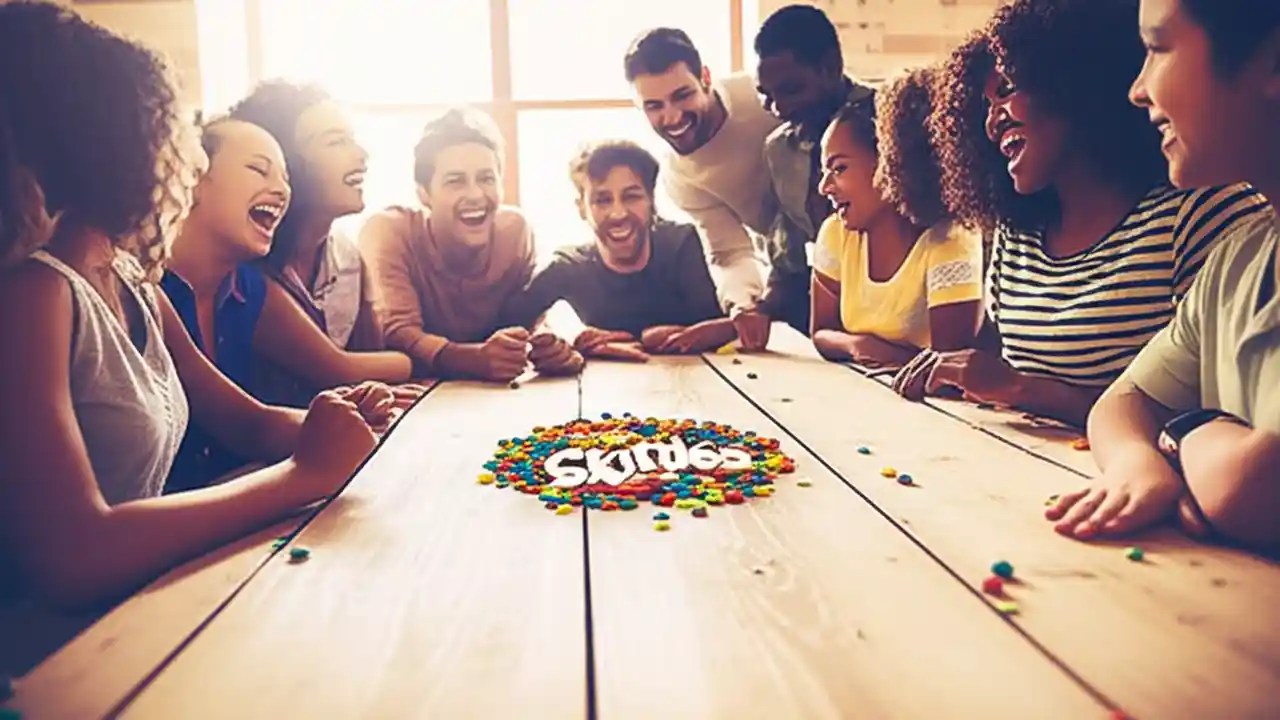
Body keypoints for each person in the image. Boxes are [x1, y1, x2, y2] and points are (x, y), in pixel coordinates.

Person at [0, 1, 386, 675]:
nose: (182, 149)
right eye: (168, 129)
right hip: (53, 663)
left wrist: (350, 431)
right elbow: (71, 556)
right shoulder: (35, 292)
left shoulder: (129, 276)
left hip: (143, 617)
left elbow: (246, 421)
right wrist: (305, 473)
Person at [918, 0, 1267, 428]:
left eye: (1006, 88)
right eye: (985, 106)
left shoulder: (1200, 214)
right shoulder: (1017, 236)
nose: (992, 121)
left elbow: (1196, 416)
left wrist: (1019, 388)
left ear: (1073, 82)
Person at [1048, 0, 1279, 553]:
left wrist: (1184, 431)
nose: (1138, 89)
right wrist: (1138, 463)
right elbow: (1121, 402)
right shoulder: (1239, 259)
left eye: (1157, 48)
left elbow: (1260, 487)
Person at [161, 118, 415, 491]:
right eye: (258, 170)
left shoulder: (249, 286)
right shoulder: (143, 290)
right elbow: (333, 370)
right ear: (193, 177)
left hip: (238, 499)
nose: (280, 190)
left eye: (285, 178)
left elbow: (250, 424)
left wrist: (348, 423)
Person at [359, 108, 582, 382]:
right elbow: (396, 332)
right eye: (456, 182)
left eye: (486, 179)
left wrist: (551, 345)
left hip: (494, 397)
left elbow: (535, 314)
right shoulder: (389, 230)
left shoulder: (515, 231)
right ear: (424, 194)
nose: (476, 195)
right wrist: (471, 359)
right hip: (415, 395)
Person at [811, 73, 984, 386]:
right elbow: (821, 333)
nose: (824, 187)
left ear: (891, 163)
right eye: (825, 171)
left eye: (839, 168)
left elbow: (946, 372)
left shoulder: (950, 238)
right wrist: (858, 345)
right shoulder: (836, 233)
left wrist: (883, 354)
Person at [226, 82, 390, 405]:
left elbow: (372, 368)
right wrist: (430, 359)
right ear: (287, 163)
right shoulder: (246, 269)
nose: (361, 155)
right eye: (336, 142)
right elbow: (340, 370)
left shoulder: (348, 256)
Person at [502, 141, 732, 360]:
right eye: (602, 200)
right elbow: (509, 327)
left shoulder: (682, 244)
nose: (618, 214)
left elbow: (727, 327)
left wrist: (651, 340)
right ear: (582, 208)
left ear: (651, 201)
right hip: (600, 391)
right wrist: (571, 335)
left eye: (631, 197)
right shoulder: (569, 266)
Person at [625, 27, 779, 351]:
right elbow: (729, 252)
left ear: (705, 78)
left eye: (683, 95)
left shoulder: (761, 94)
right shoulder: (680, 178)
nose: (672, 117)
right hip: (796, 270)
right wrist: (742, 305)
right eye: (654, 106)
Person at [755, 4, 875, 333]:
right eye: (766, 95)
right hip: (823, 325)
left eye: (792, 89)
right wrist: (758, 312)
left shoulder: (890, 124)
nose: (779, 108)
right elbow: (788, 258)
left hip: (903, 327)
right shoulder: (779, 150)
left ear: (831, 67)